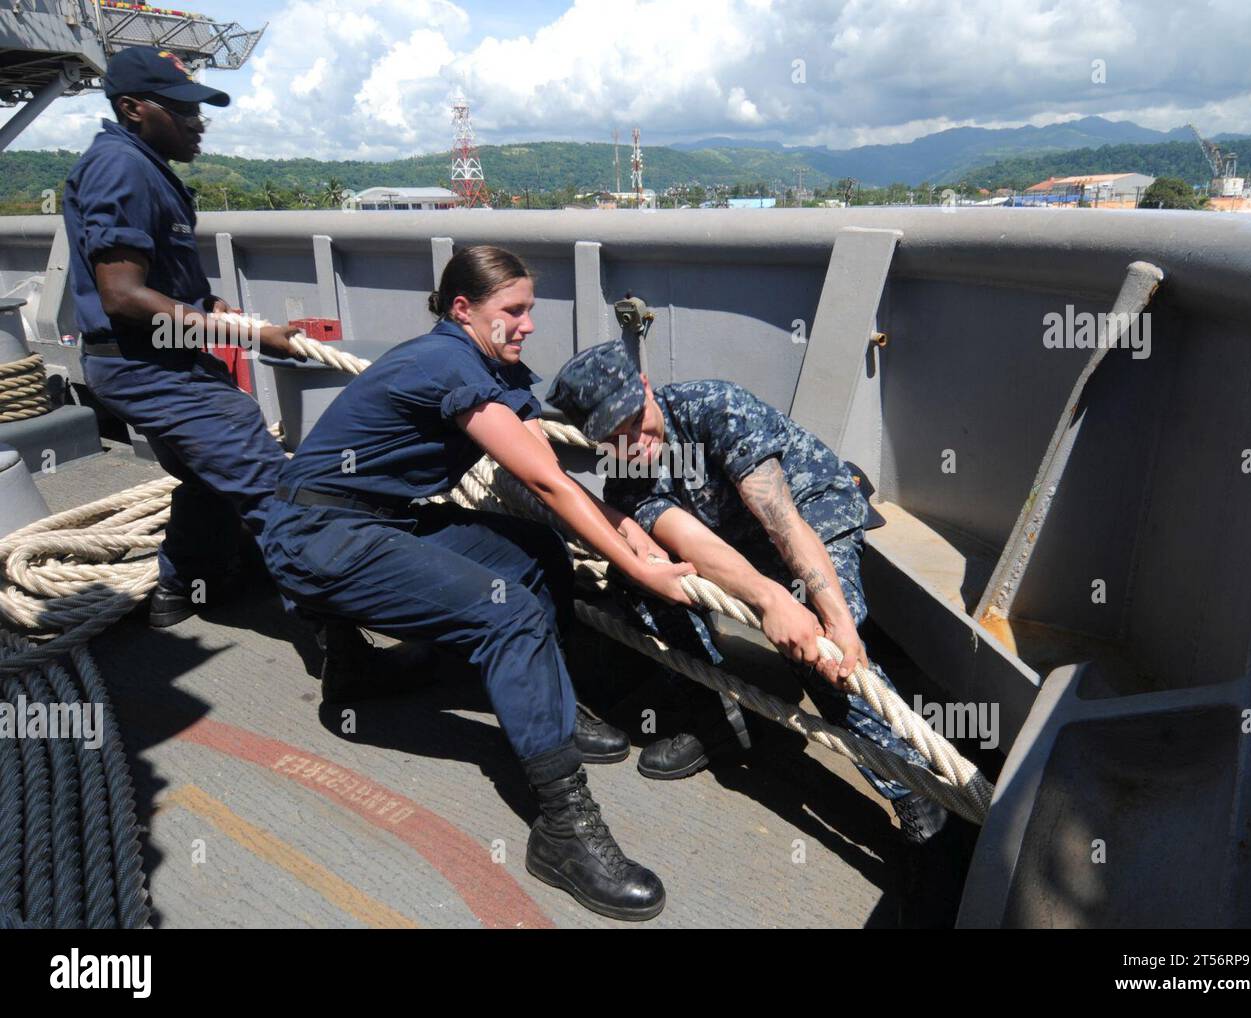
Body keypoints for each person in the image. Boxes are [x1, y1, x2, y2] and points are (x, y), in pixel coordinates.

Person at [259, 246, 697, 921]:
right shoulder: (448, 364)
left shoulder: (489, 365)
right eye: (512, 311)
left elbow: (542, 465)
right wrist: (638, 566)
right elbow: (548, 483)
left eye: (530, 310)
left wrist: (627, 528)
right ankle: (564, 830)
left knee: (529, 550)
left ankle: (530, 701)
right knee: (509, 616)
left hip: (377, 521)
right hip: (320, 539)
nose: (527, 324)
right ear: (463, 309)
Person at [545, 340, 950, 846]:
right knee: (639, 578)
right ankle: (713, 714)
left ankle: (918, 792)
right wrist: (767, 599)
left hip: (811, 513)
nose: (633, 443)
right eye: (613, 437)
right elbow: (691, 542)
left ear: (645, 387)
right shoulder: (627, 478)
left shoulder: (715, 407)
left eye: (634, 420)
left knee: (819, 648)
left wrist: (834, 621)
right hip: (736, 544)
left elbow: (783, 521)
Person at [62, 47, 304, 627]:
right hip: (147, 367)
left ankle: (187, 588)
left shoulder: (139, 165)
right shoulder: (120, 167)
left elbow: (157, 281)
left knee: (207, 476)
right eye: (185, 111)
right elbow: (121, 294)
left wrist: (210, 306)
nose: (199, 124)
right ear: (134, 108)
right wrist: (245, 333)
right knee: (279, 496)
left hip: (155, 360)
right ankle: (341, 653)